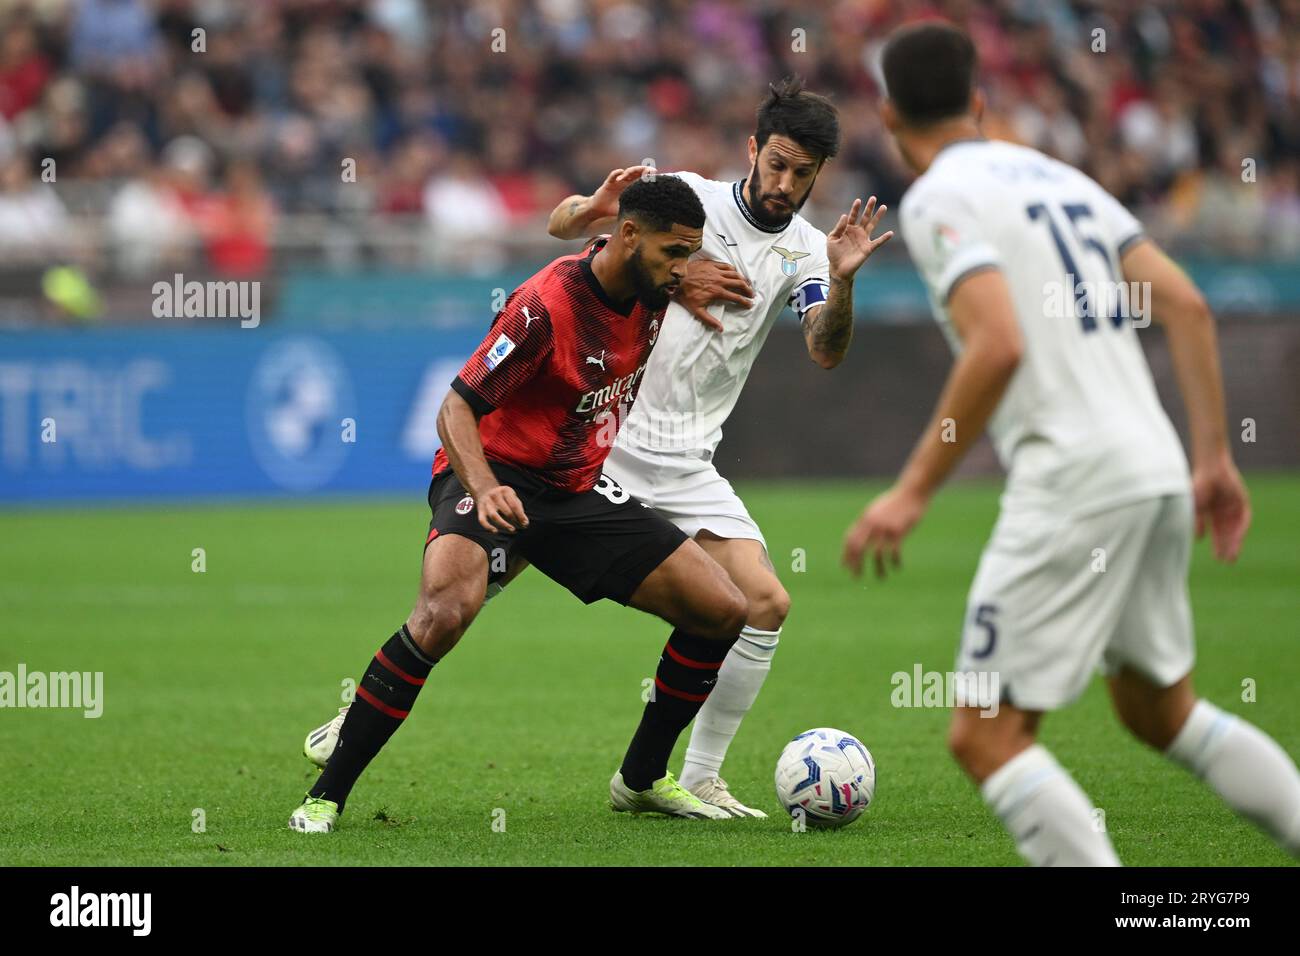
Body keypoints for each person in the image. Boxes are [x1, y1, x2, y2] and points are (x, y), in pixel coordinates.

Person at [843, 21, 1300, 865]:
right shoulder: (1064, 179)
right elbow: (1190, 306)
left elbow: (999, 344)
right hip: (1156, 468)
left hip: (1075, 483)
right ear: (979, 102)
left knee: (984, 736)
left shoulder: (939, 196)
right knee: (1160, 713)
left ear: (886, 116)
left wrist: (910, 491)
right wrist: (1212, 458)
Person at [289, 175, 750, 832]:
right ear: (628, 238)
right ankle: (324, 797)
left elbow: (578, 225)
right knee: (446, 611)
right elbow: (455, 408)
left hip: (573, 489)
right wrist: (483, 488)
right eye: (675, 253)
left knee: (723, 608)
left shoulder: (652, 279)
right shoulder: (543, 309)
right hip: (491, 470)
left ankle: (642, 779)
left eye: (690, 254)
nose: (685, 268)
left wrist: (685, 271)